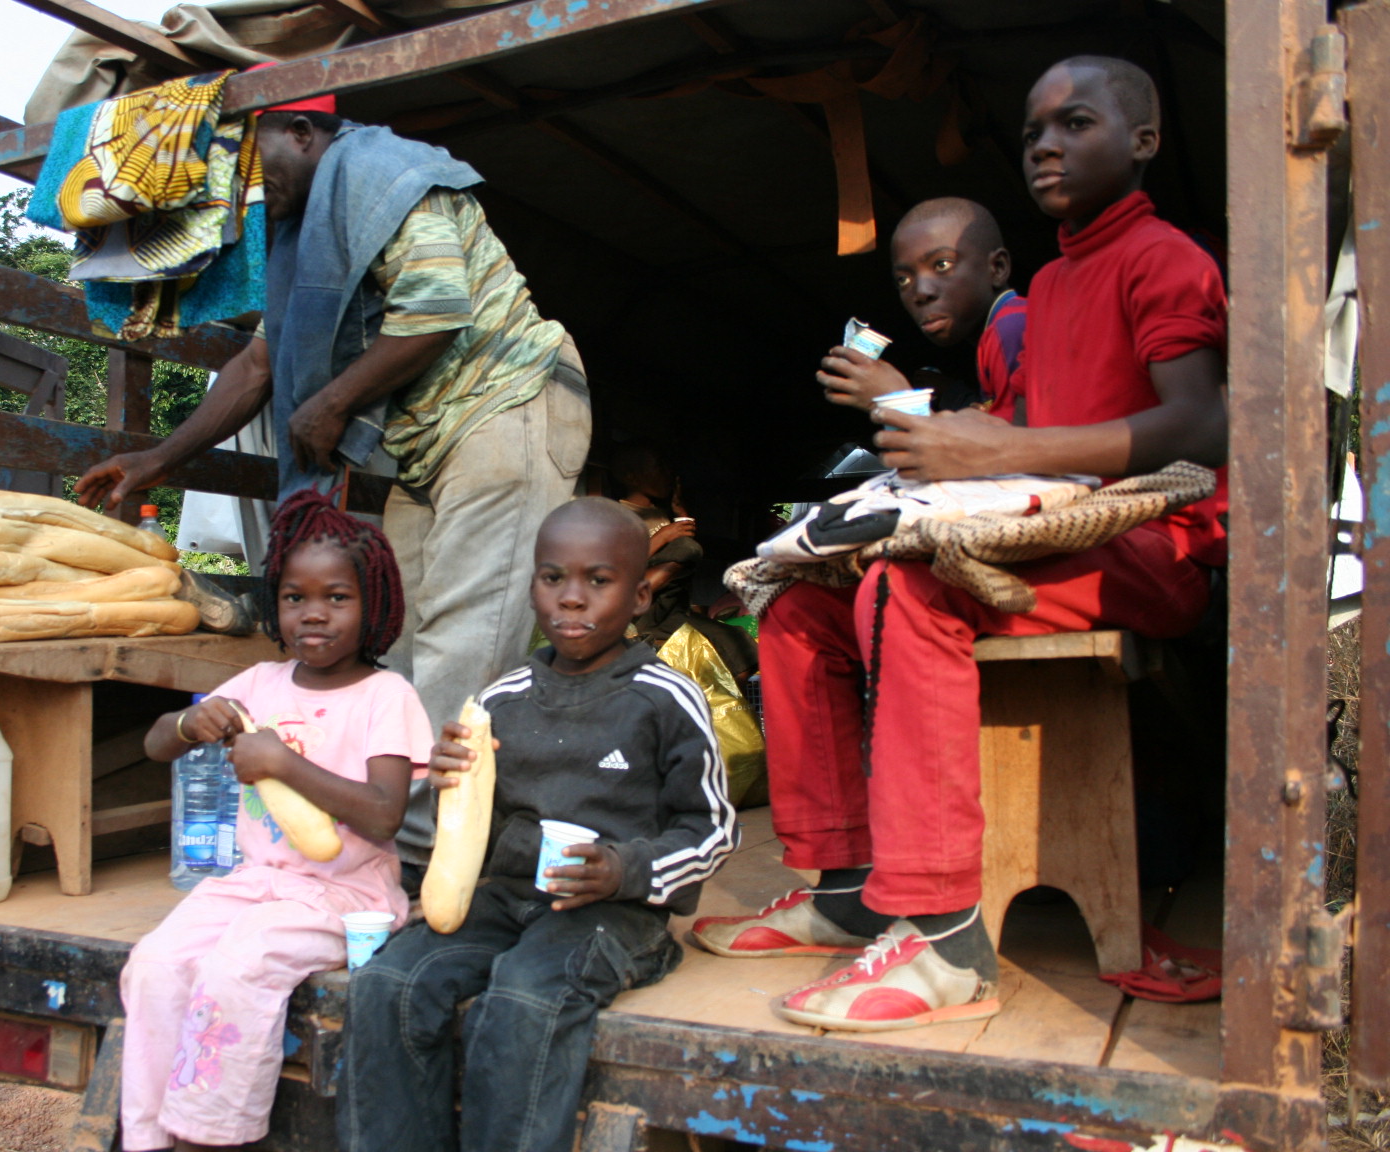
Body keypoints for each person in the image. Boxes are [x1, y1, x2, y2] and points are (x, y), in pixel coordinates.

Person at [692, 56, 1227, 1033]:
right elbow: (1008, 442)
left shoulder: (1165, 259)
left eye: (1075, 123)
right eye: (1031, 134)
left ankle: (942, 938)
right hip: (1043, 538)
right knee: (800, 606)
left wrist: (997, 443)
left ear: (1144, 140)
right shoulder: (1054, 285)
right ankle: (849, 880)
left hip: (1151, 542)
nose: (1047, 146)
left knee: (907, 589)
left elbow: (1203, 427)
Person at [76, 91, 590, 888]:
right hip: (429, 441)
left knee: (465, 642)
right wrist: (157, 459)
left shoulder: (386, 173)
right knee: (403, 638)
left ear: (304, 132)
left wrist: (335, 399)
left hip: (507, 403)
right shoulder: (307, 241)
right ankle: (393, 838)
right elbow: (256, 365)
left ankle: (421, 869)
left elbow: (434, 312)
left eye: (255, 165)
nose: (250, 190)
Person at [337, 498, 737, 1152]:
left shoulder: (664, 697)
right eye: (553, 578)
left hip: (615, 912)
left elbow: (714, 828)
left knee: (523, 1002)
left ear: (640, 597)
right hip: (506, 899)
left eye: (598, 582)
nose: (572, 599)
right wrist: (449, 787)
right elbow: (476, 837)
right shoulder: (503, 699)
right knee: (389, 985)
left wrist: (624, 870)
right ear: (531, 588)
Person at [117, 489, 434, 1151]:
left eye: (336, 598)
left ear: (373, 604)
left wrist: (283, 764)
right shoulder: (260, 682)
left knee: (238, 968)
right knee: (155, 964)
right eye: (295, 598)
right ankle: (149, 1137)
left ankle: (211, 1134)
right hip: (250, 883)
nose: (313, 616)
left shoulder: (387, 696)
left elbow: (383, 815)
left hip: (344, 895)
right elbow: (155, 744)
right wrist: (186, 722)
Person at [818, 197, 1029, 422]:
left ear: (998, 268)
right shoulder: (998, 332)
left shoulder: (1013, 327)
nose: (921, 292)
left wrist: (895, 400)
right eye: (903, 280)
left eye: (942, 265)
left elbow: (1020, 452)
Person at [611, 439, 758, 682]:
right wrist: (661, 537)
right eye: (660, 467)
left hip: (674, 611)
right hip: (641, 612)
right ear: (632, 477)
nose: (668, 474)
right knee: (685, 547)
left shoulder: (660, 514)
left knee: (743, 650)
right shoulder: (617, 516)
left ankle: (709, 709)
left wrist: (680, 515)